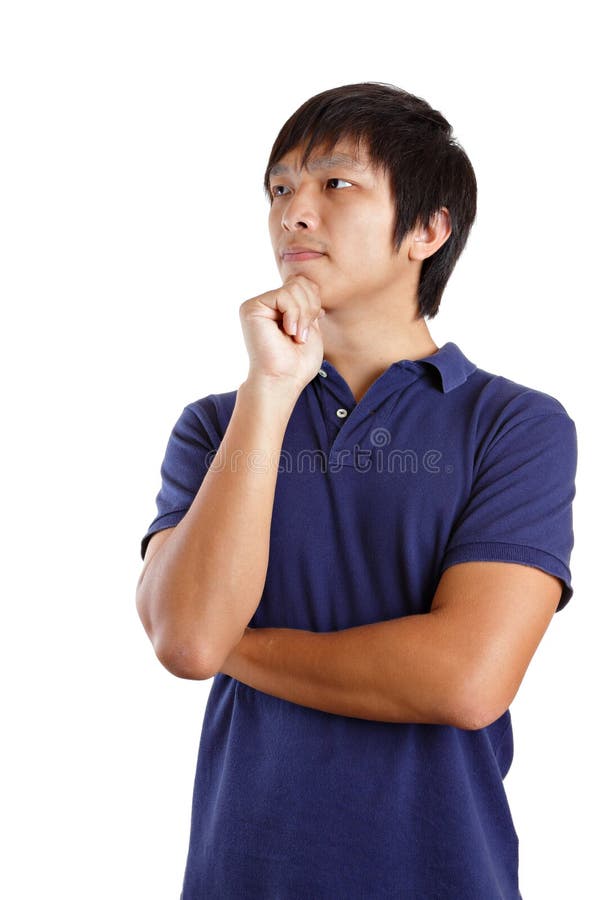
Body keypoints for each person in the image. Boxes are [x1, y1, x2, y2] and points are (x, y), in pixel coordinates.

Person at [136, 82, 578, 899]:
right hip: (243, 878)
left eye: (335, 184)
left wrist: (234, 646)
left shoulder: (514, 425)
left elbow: (466, 681)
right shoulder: (216, 427)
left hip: (445, 877)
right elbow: (189, 642)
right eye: (279, 189)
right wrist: (269, 392)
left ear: (427, 230)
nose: (293, 213)